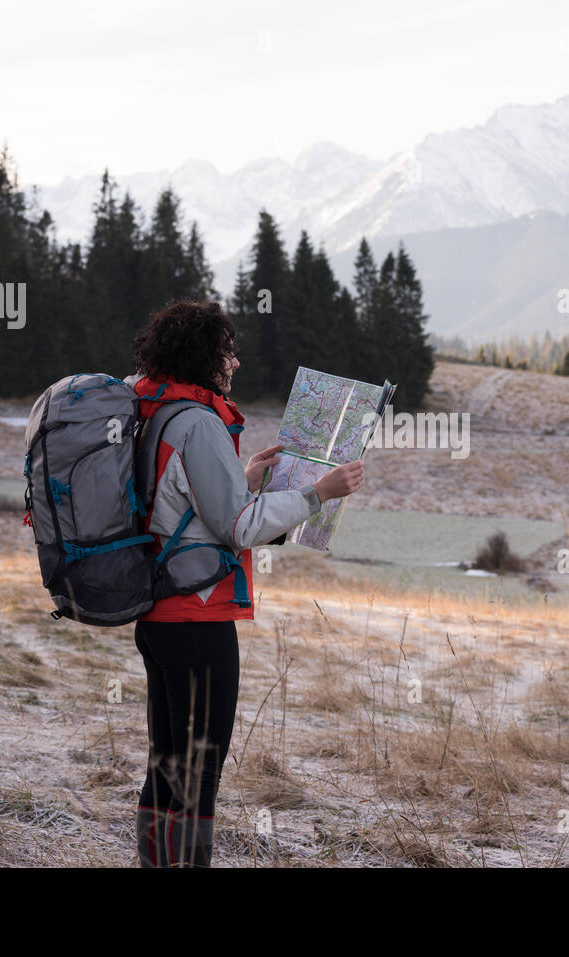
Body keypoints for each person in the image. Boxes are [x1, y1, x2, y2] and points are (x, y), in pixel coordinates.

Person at [127, 298, 363, 867]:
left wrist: (243, 477)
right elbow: (240, 526)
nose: (234, 363)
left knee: (168, 762)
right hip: (198, 620)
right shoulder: (200, 424)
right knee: (199, 770)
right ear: (206, 355)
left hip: (159, 615)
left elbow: (180, 501)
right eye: (228, 351)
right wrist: (317, 494)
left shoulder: (157, 413)